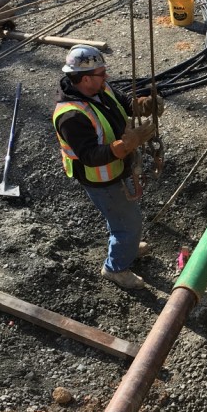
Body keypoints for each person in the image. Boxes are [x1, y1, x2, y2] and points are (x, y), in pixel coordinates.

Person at [52, 45, 163, 291]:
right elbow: (90, 156)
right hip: (102, 178)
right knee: (129, 222)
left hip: (118, 168)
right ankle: (115, 268)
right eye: (102, 73)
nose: (107, 77)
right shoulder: (70, 116)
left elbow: (123, 102)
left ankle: (127, 244)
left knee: (122, 217)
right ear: (85, 78)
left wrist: (143, 105)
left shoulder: (100, 89)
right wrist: (125, 145)